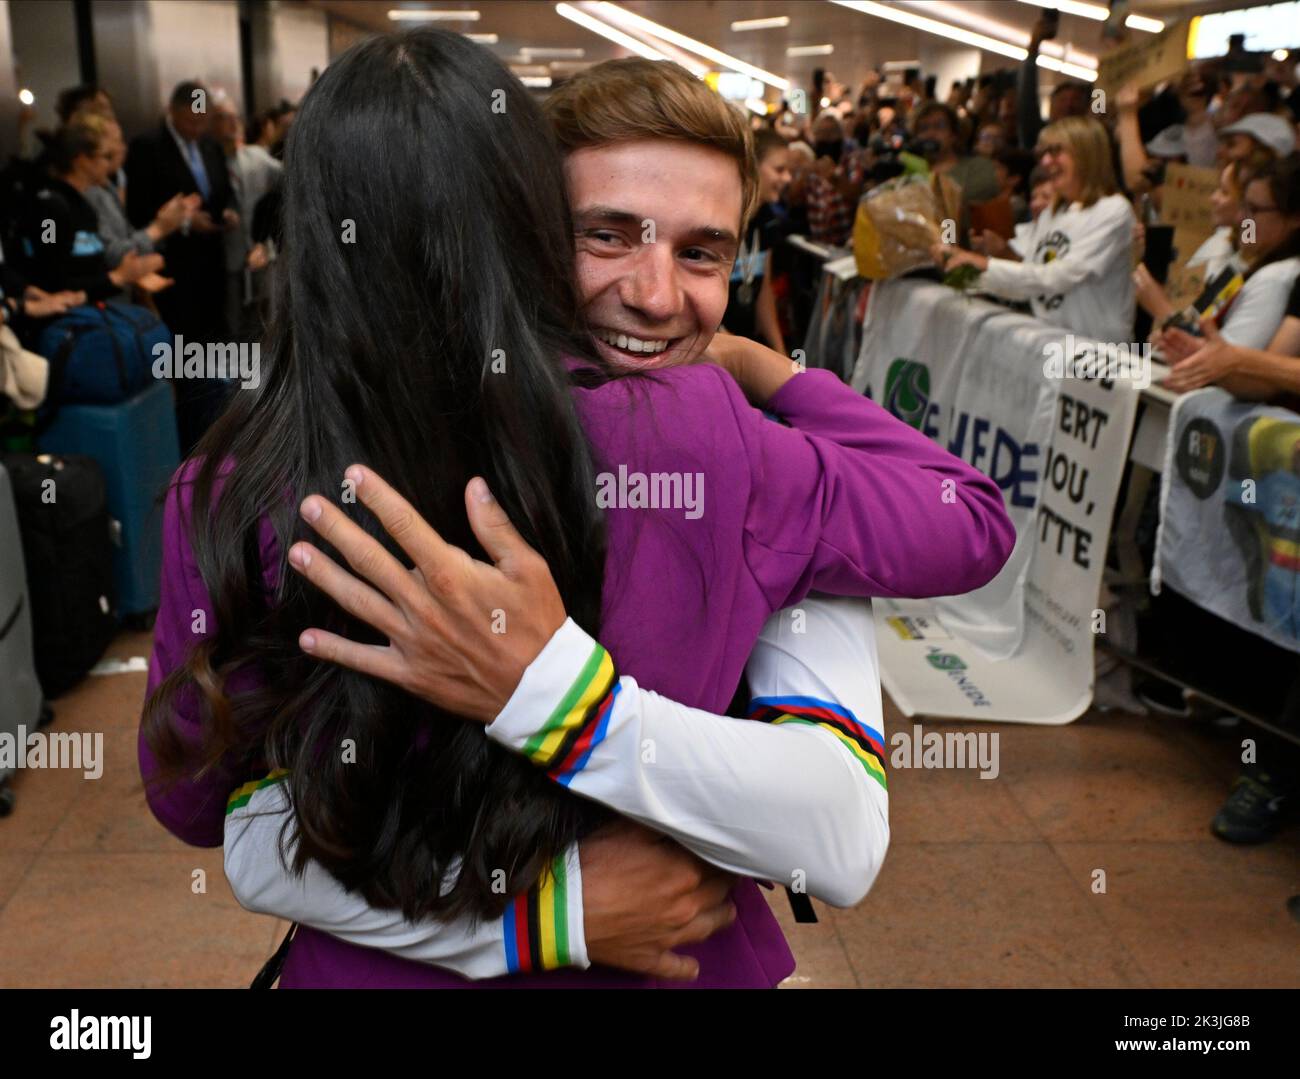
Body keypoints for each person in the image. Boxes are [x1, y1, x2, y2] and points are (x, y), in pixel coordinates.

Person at [140, 35, 1015, 989]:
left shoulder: (232, 483)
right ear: (519, 227)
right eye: (604, 234)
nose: (651, 296)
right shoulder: (709, 440)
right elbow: (967, 521)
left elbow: (206, 808)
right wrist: (775, 376)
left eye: (702, 253)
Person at [935, 115, 1136, 345]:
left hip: (1098, 354)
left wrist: (982, 264)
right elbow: (1027, 283)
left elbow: (1060, 277)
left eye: (1056, 151)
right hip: (1051, 343)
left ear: (1086, 154)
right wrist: (960, 271)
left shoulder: (1113, 210)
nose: (1047, 162)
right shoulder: (1053, 213)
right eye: (1044, 154)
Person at [125, 79, 236, 453]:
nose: (197, 129)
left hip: (212, 269)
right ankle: (190, 445)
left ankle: (219, 433)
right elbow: (140, 211)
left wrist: (228, 213)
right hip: (174, 272)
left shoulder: (209, 146)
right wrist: (187, 223)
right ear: (173, 112)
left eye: (201, 122)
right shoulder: (146, 149)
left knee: (216, 360)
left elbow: (223, 192)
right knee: (184, 363)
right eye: (191, 121)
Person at [1156, 154, 1300, 362]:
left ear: (1294, 218)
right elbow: (1196, 319)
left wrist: (1160, 308)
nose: (1241, 218)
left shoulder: (1275, 278)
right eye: (1243, 206)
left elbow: (1228, 366)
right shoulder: (1241, 261)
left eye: (1254, 210)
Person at [18, 122, 162, 308]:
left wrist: (129, 273)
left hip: (99, 309)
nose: (110, 164)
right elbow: (50, 279)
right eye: (105, 156)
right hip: (68, 320)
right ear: (82, 161)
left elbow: (93, 266)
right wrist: (117, 278)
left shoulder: (84, 204)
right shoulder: (50, 210)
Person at [211, 97, 282, 341]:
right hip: (224, 254)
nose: (232, 123)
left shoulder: (255, 157)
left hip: (260, 248)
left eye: (235, 117)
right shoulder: (209, 162)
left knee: (267, 312)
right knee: (231, 316)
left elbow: (286, 179)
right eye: (223, 117)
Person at [721, 129, 788, 353]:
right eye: (779, 170)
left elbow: (763, 290)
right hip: (713, 347)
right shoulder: (722, 218)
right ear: (752, 167)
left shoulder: (767, 219)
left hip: (745, 343)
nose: (787, 178)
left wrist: (780, 352)